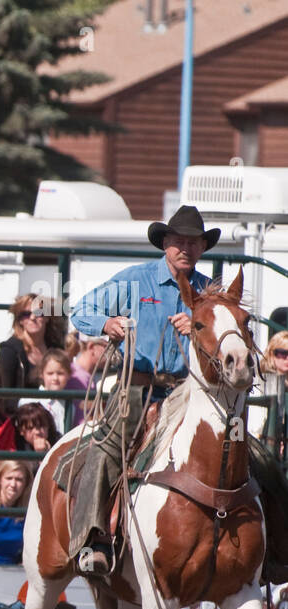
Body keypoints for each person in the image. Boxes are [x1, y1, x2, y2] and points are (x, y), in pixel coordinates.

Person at [67, 204, 219, 575]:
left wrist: (199, 329)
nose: (186, 248)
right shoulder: (135, 282)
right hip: (137, 389)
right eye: (179, 240)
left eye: (194, 242)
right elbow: (79, 310)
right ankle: (92, 538)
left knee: (242, 451)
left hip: (190, 392)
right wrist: (108, 323)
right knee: (106, 448)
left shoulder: (207, 293)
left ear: (202, 248)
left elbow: (225, 346)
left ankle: (265, 545)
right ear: (165, 244)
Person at [0, 293, 61, 389]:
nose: (32, 318)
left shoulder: (56, 349)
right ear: (20, 320)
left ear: (47, 317)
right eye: (26, 314)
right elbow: (5, 393)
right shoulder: (9, 351)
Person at [18, 349, 79, 429]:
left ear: (69, 374)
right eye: (50, 373)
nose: (55, 378)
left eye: (60, 373)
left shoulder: (70, 406)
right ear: (41, 374)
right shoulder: (28, 401)